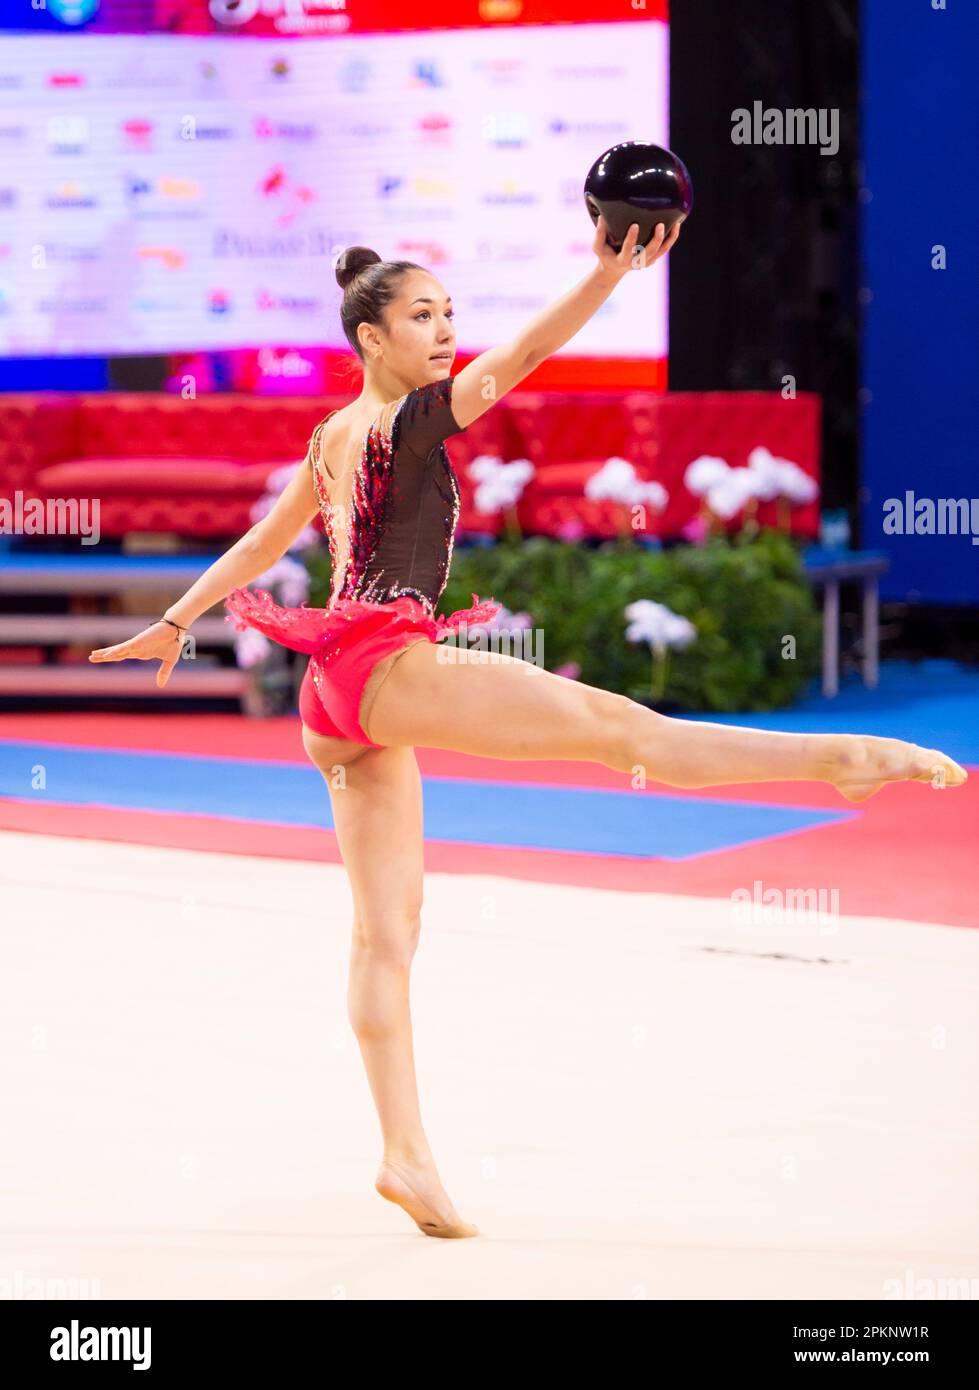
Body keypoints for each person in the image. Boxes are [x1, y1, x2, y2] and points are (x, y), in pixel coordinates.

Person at [89, 217, 967, 1240]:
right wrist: (607, 269)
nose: (445, 330)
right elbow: (528, 356)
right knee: (625, 729)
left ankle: (406, 1156)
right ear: (371, 337)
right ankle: (844, 761)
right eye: (422, 315)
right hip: (385, 663)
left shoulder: (331, 435)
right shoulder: (410, 419)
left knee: (387, 933)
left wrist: (177, 615)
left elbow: (261, 539)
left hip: (333, 697)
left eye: (450, 313)